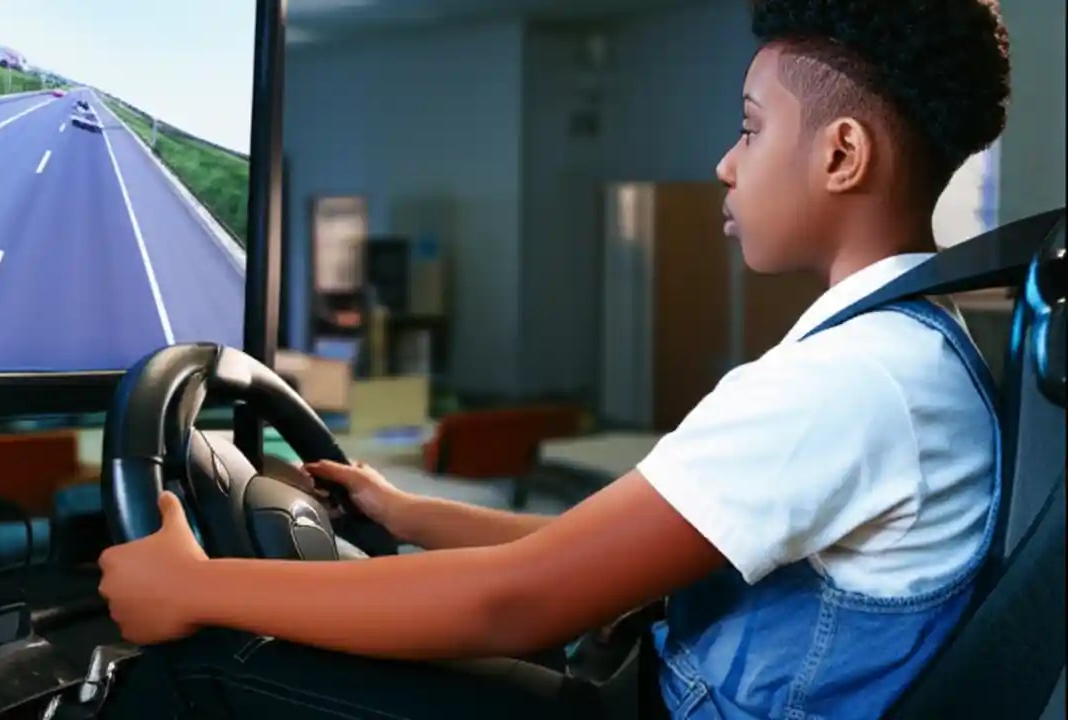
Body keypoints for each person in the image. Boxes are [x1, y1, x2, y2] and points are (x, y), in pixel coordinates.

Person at [96, 0, 1013, 717]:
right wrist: (408, 510)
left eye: (749, 129)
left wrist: (196, 588)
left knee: (196, 671)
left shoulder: (854, 382)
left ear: (842, 153)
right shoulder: (908, 351)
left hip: (656, 703)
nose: (726, 165)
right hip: (650, 685)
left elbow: (519, 602)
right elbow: (598, 557)